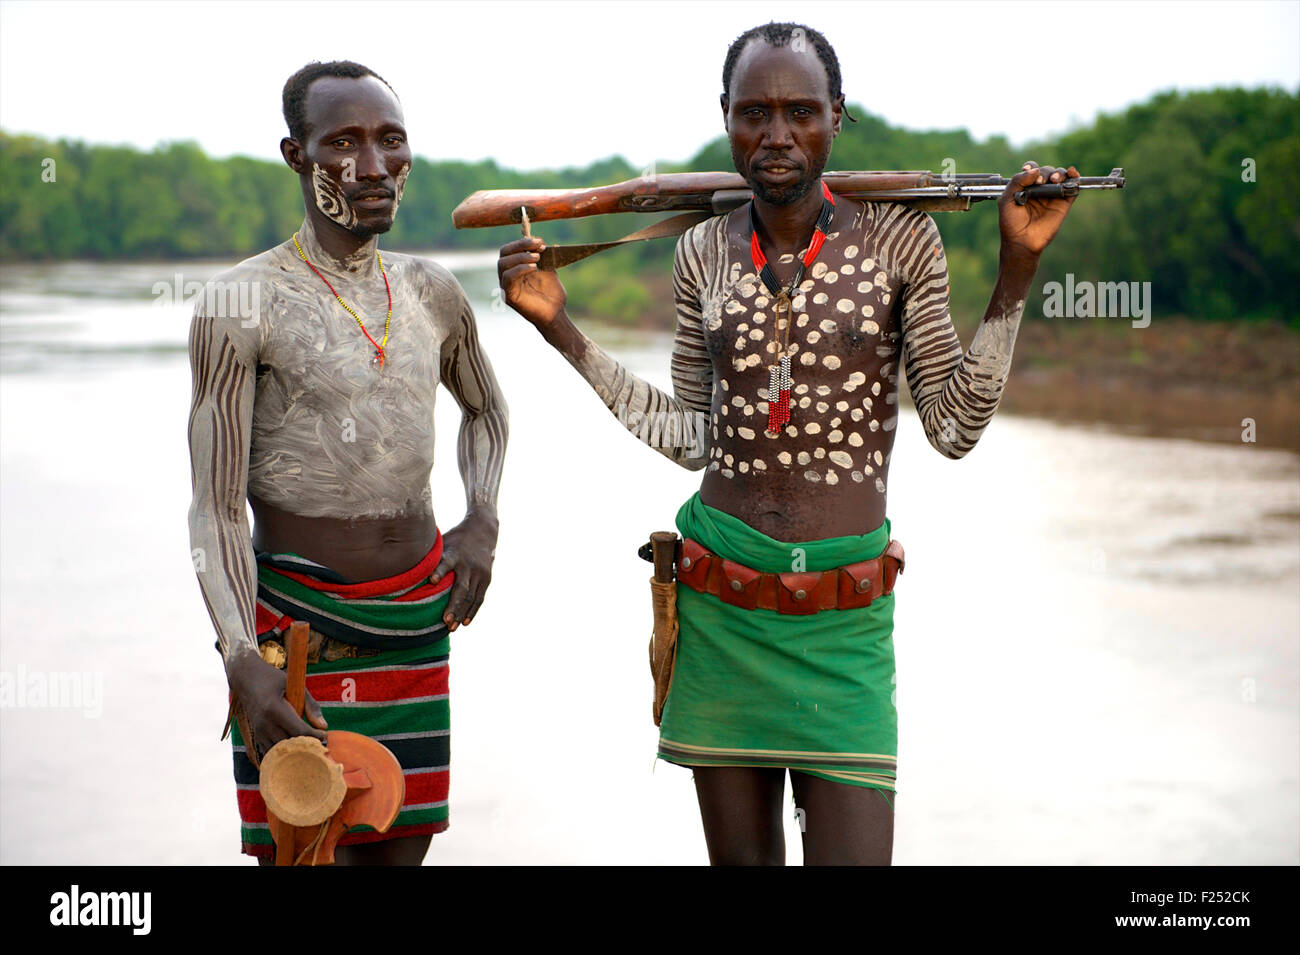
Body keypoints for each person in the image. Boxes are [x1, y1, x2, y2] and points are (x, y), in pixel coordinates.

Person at [497, 22, 1077, 865]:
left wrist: (1016, 269)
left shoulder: (899, 239)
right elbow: (692, 437)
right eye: (754, 112)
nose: (776, 135)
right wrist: (561, 329)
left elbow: (953, 429)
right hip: (721, 600)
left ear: (836, 117)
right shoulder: (701, 250)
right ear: (725, 118)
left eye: (799, 111)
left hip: (844, 620)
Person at [187, 60, 508, 864]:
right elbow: (215, 507)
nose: (374, 167)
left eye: (390, 141)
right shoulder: (241, 302)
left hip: (415, 622)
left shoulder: (434, 292)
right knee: (301, 849)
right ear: (297, 155)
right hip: (294, 640)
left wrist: (482, 518)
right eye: (345, 143)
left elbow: (487, 411)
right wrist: (239, 661)